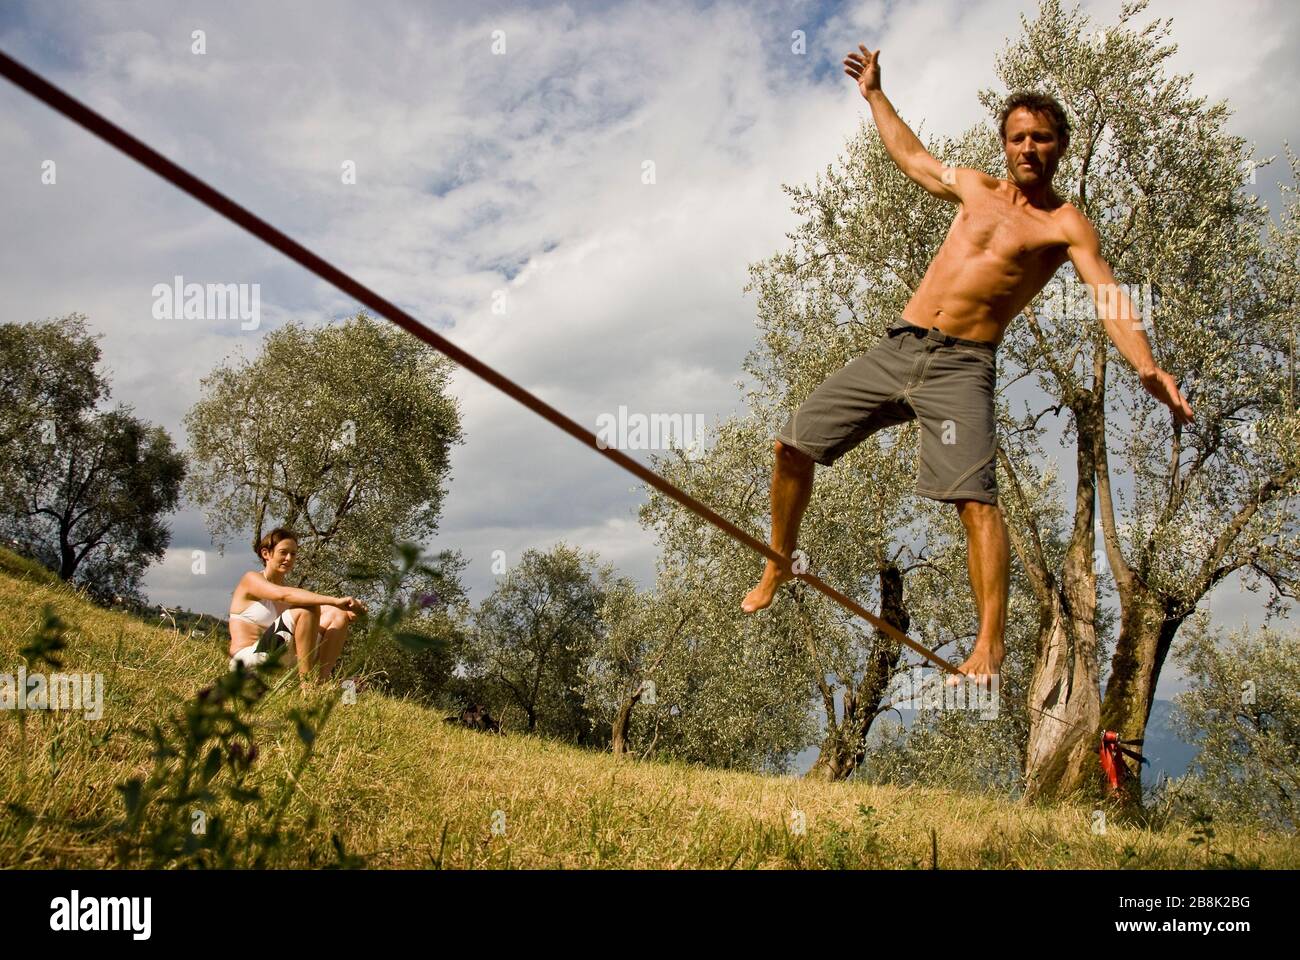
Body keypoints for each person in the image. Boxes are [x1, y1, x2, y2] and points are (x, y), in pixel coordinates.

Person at [741, 45, 1194, 685]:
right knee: (793, 445)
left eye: (1041, 138)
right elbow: (912, 156)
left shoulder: (1066, 227)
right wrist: (873, 94)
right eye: (1017, 137)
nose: (1028, 147)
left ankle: (989, 644)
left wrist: (1146, 366)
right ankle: (779, 559)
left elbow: (1108, 297)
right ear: (1004, 145)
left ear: (1060, 145)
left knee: (975, 502)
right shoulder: (975, 188)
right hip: (898, 347)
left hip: (963, 367)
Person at [227, 526, 364, 683]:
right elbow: (283, 595)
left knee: (337, 614)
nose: (289, 558)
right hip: (249, 662)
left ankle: (321, 681)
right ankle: (307, 685)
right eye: (283, 552)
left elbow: (330, 611)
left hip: (283, 664)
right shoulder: (251, 580)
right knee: (308, 608)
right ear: (266, 554)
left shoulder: (292, 592)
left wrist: (347, 611)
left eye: (293, 554)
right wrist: (335, 600)